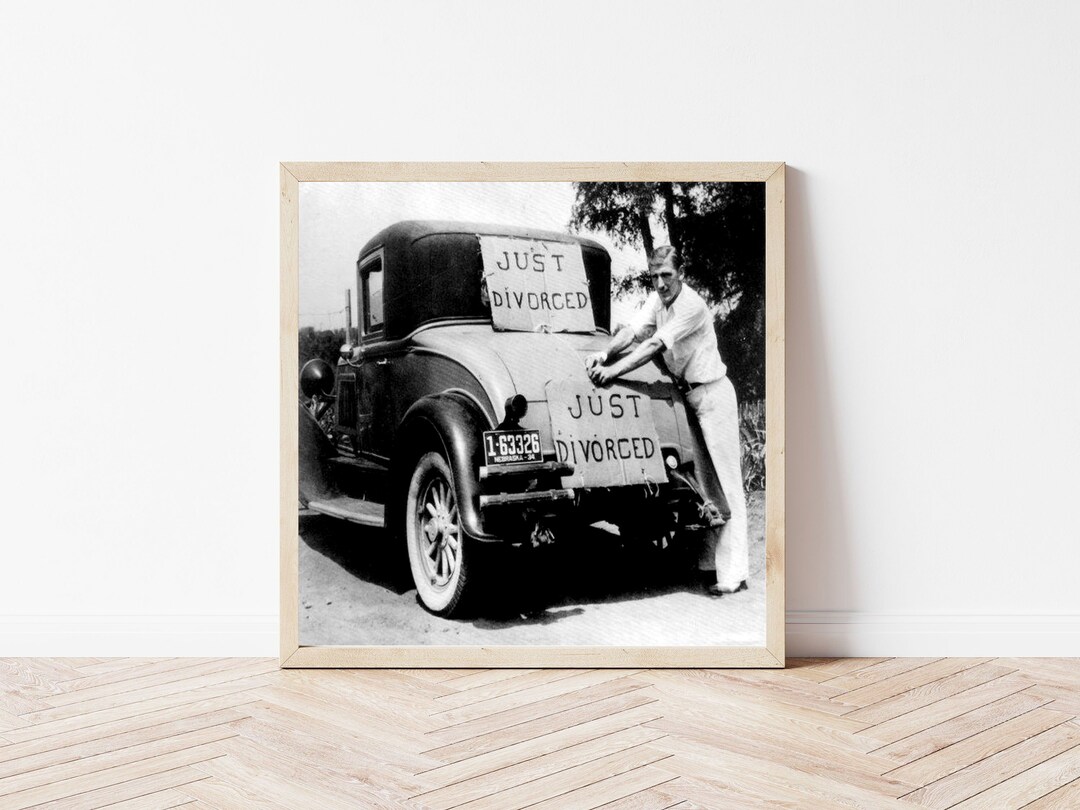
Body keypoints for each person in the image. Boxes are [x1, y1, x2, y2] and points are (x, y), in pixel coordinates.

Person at [586, 245, 749, 596]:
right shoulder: (657, 301)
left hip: (713, 394)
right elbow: (633, 333)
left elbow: (653, 347)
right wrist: (604, 352)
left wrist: (612, 371)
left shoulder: (691, 305)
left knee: (726, 483)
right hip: (687, 397)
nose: (660, 283)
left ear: (681, 274)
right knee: (702, 484)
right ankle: (709, 565)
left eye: (667, 276)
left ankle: (734, 573)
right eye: (655, 276)